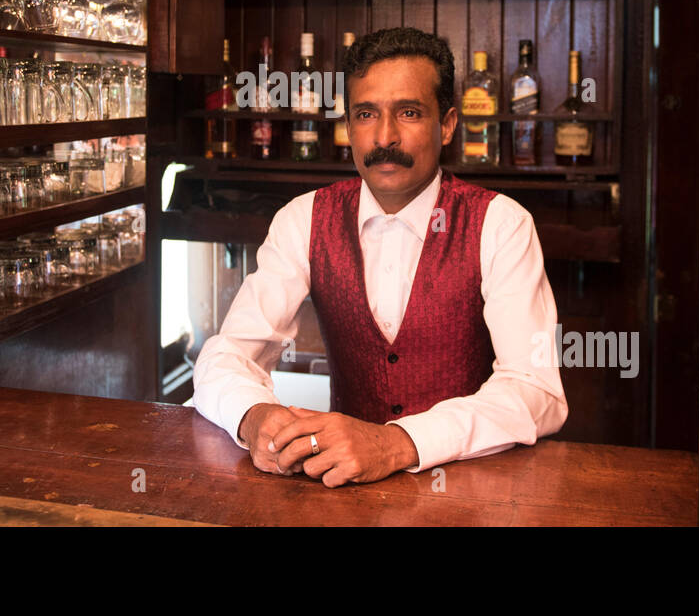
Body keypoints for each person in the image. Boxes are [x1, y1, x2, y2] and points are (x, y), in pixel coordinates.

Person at [193, 27, 567, 487]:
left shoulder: (501, 224)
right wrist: (253, 416)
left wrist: (396, 443)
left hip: (473, 489)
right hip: (342, 492)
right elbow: (226, 355)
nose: (385, 136)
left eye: (409, 113)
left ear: (447, 125)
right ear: (348, 127)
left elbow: (537, 391)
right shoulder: (304, 219)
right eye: (366, 114)